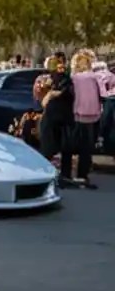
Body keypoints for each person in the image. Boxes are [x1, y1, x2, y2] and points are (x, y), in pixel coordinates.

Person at [38, 51, 76, 185]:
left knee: (48, 145)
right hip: (65, 115)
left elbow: (43, 99)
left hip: (53, 115)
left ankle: (45, 173)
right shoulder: (68, 78)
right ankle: (65, 174)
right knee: (65, 147)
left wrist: (50, 95)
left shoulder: (49, 79)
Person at [70, 50, 100, 188]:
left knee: (74, 144)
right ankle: (83, 174)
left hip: (78, 114)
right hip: (93, 114)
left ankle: (73, 173)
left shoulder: (74, 78)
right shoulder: (94, 77)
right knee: (87, 146)